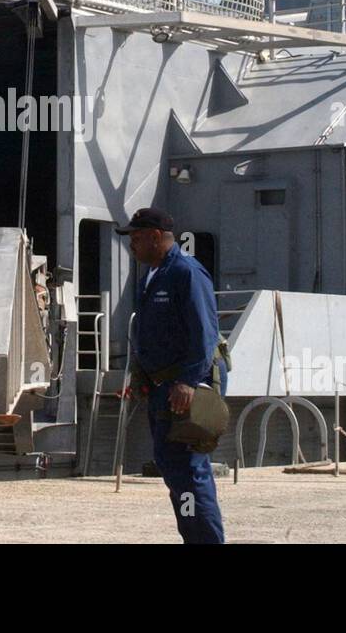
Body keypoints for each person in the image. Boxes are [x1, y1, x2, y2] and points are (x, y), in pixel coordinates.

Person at [119, 206, 227, 545]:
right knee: (172, 468)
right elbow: (147, 333)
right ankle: (193, 537)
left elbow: (204, 333)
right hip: (163, 387)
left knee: (188, 471)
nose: (131, 245)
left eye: (136, 238)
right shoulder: (151, 276)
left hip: (184, 389)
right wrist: (141, 378)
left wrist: (189, 382)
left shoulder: (186, 273)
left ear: (154, 237)